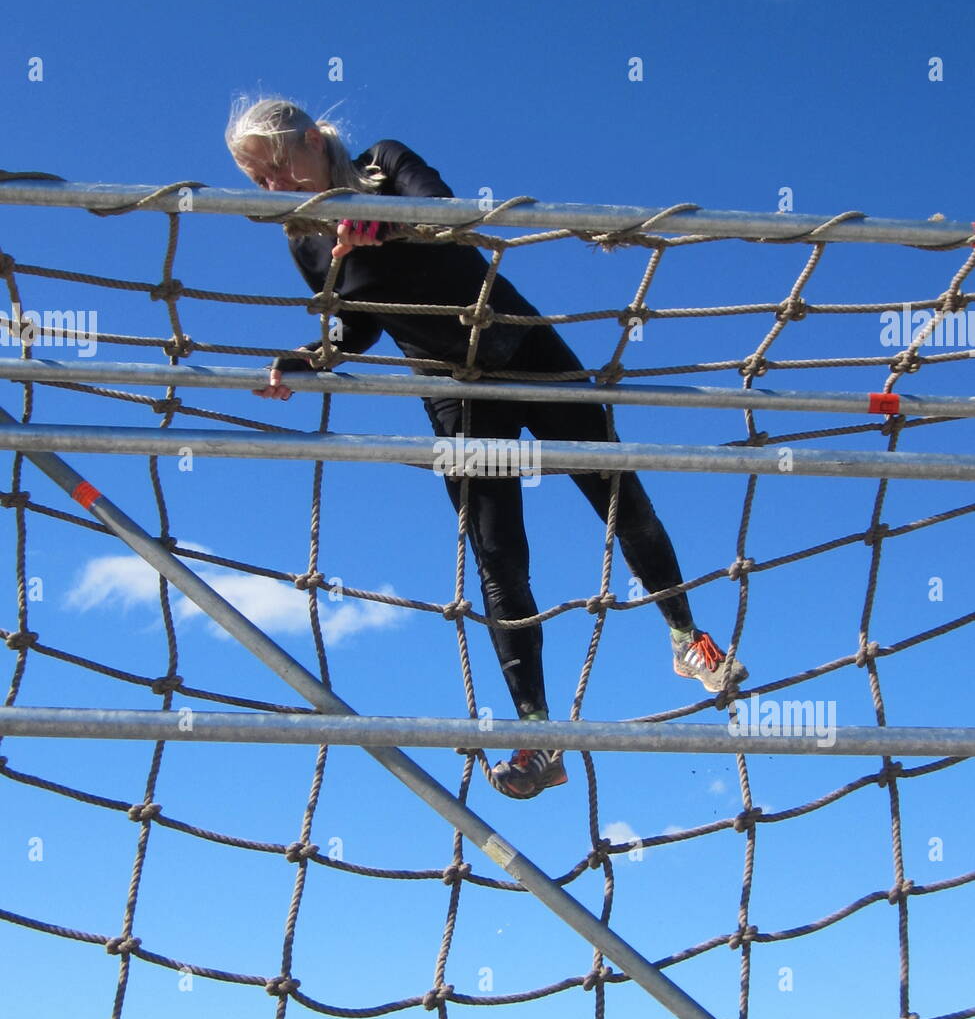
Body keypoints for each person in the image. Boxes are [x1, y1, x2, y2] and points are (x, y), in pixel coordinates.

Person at [226, 98, 747, 799]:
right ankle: (537, 735)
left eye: (280, 168)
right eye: (258, 180)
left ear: (317, 142)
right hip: (452, 389)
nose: (275, 189)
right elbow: (353, 330)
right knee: (500, 557)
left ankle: (686, 638)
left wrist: (384, 224)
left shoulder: (383, 161)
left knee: (617, 493)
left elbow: (447, 211)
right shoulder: (304, 241)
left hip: (519, 343)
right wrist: (304, 358)